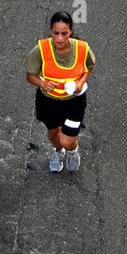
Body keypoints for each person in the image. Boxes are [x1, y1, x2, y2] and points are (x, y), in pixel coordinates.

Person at [25, 12, 95, 173]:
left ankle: (71, 150)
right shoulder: (40, 50)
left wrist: (81, 82)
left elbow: (89, 68)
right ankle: (58, 152)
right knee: (53, 133)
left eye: (64, 33)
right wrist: (42, 83)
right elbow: (29, 76)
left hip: (74, 103)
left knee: (67, 139)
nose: (60, 38)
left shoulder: (82, 49)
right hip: (48, 102)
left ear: (71, 32)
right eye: (56, 33)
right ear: (51, 31)